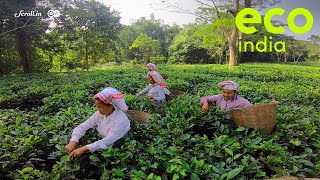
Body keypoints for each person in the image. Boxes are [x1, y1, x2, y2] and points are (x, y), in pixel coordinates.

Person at [65, 87, 130, 158]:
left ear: (111, 106)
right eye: (97, 107)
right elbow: (83, 126)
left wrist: (84, 148)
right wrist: (73, 141)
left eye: (100, 107)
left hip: (117, 148)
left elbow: (108, 141)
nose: (98, 110)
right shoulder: (98, 114)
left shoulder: (121, 120)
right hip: (102, 143)